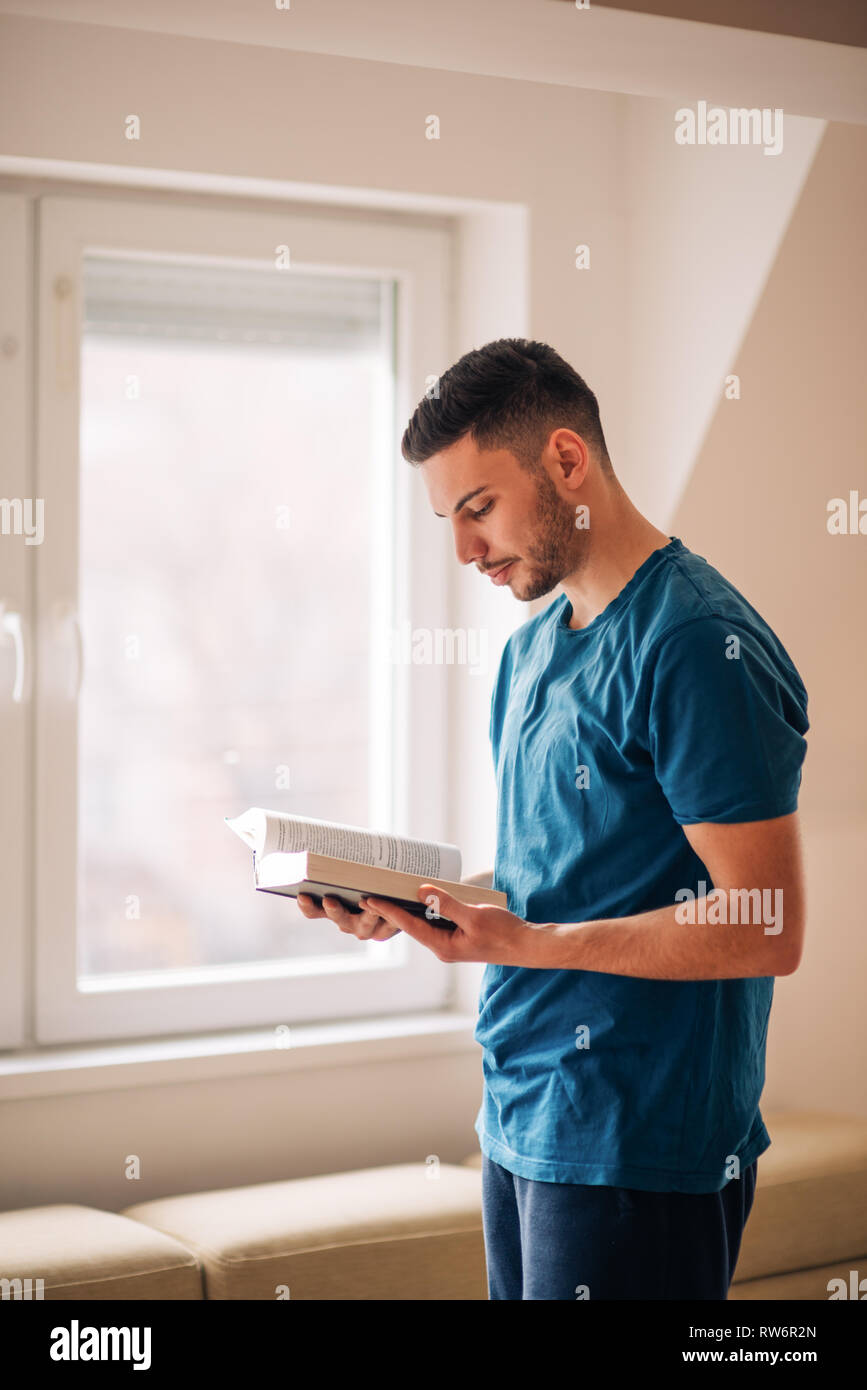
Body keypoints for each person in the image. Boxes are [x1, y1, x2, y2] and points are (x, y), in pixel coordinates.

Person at [298, 338, 809, 1301]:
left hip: (636, 1143)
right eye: (448, 519)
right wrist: (416, 904)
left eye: (479, 509)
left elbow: (765, 924)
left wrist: (528, 942)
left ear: (567, 462)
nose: (463, 550)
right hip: (521, 1110)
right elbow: (558, 882)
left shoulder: (698, 645)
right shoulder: (531, 651)